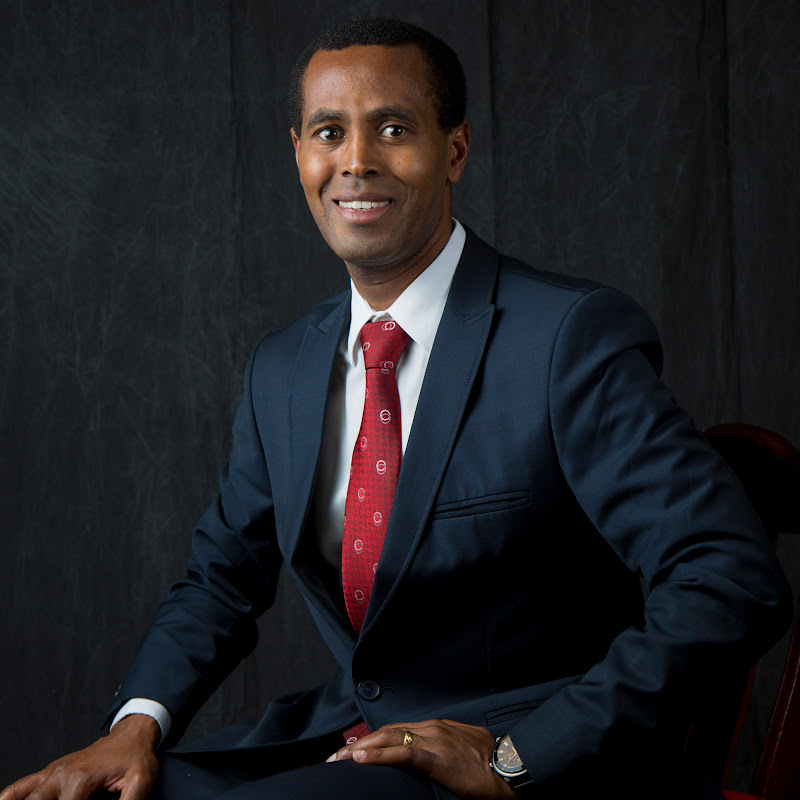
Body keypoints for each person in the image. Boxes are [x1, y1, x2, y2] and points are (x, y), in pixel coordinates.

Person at [1, 17, 791, 800]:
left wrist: (518, 757)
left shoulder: (565, 339)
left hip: (535, 766)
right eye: (329, 132)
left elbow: (730, 576)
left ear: (455, 150)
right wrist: (134, 725)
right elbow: (221, 578)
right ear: (299, 153)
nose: (356, 161)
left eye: (393, 128)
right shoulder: (283, 367)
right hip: (354, 742)